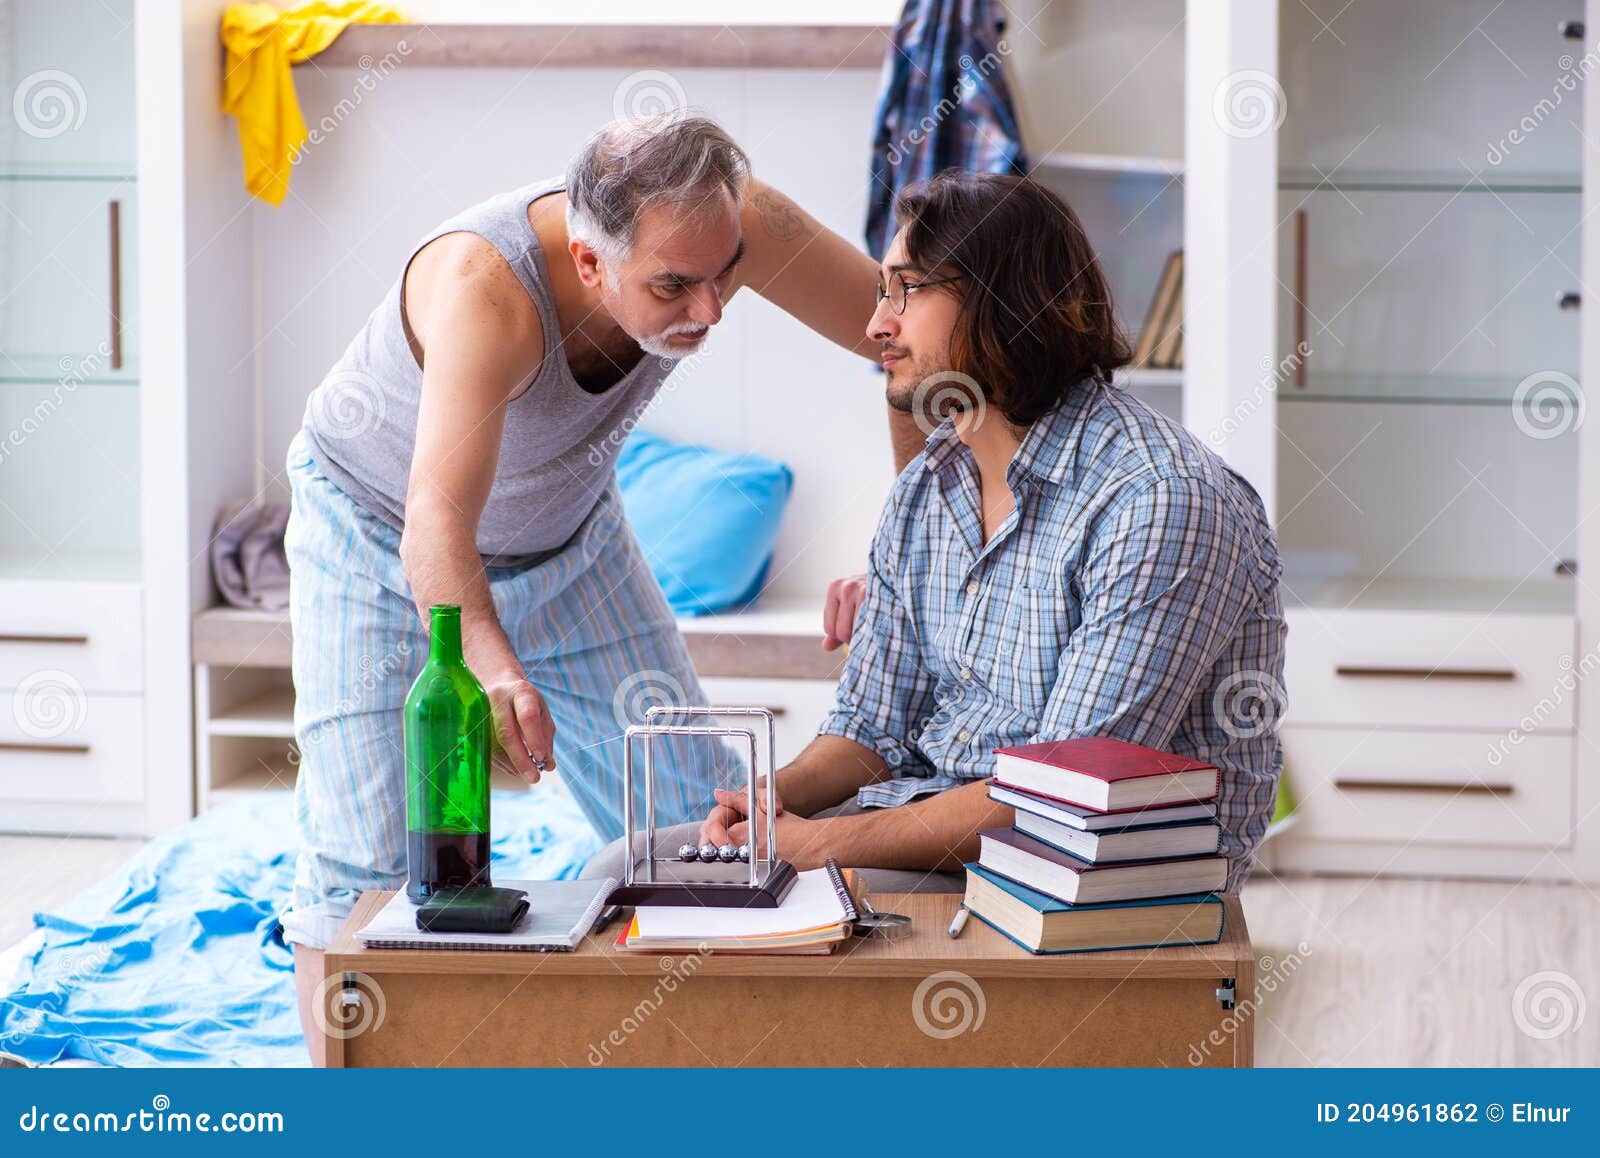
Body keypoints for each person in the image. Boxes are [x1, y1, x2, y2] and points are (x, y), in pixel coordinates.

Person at [283, 114, 914, 1057]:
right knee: (367, 869)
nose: (708, 310)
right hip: (378, 530)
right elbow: (436, 520)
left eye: (725, 273)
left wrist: (908, 538)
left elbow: (901, 336)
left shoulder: (733, 218)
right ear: (587, 262)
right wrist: (493, 671)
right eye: (672, 287)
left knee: (709, 838)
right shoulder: (482, 289)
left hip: (570, 535)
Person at [583, 169, 1286, 895]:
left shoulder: (1158, 501)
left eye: (907, 290)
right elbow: (873, 726)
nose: (876, 323)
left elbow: (1059, 798)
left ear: (1006, 304)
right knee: (616, 871)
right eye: (884, 290)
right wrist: (775, 801)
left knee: (720, 895)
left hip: (1094, 870)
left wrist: (819, 843)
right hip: (942, 820)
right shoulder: (931, 485)